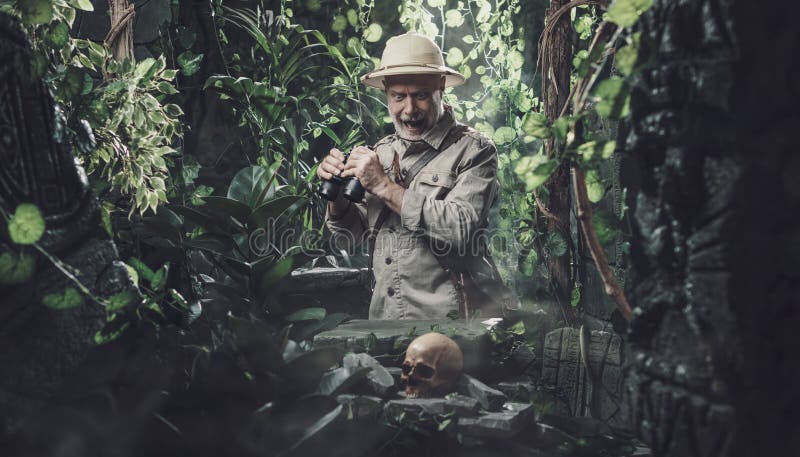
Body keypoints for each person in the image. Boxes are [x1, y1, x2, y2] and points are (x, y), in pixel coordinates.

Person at [316, 32, 518, 320]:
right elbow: (348, 239)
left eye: (421, 96)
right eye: (398, 97)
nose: (409, 110)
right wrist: (336, 199)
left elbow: (461, 230)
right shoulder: (382, 153)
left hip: (452, 327)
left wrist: (384, 186)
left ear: (441, 87)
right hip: (384, 321)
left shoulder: (475, 150)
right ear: (386, 92)